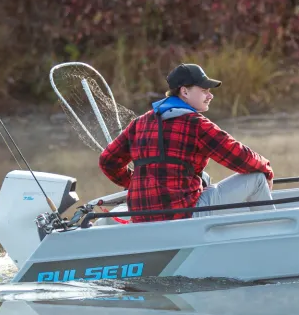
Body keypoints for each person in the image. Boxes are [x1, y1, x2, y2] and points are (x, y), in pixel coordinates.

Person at [99, 63, 274, 222]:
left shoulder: (139, 123)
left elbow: (107, 161)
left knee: (204, 178)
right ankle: (274, 231)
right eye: (204, 90)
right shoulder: (196, 124)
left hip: (140, 218)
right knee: (257, 178)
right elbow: (239, 156)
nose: (210, 95)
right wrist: (266, 169)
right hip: (183, 215)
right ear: (185, 92)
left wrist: (134, 183)